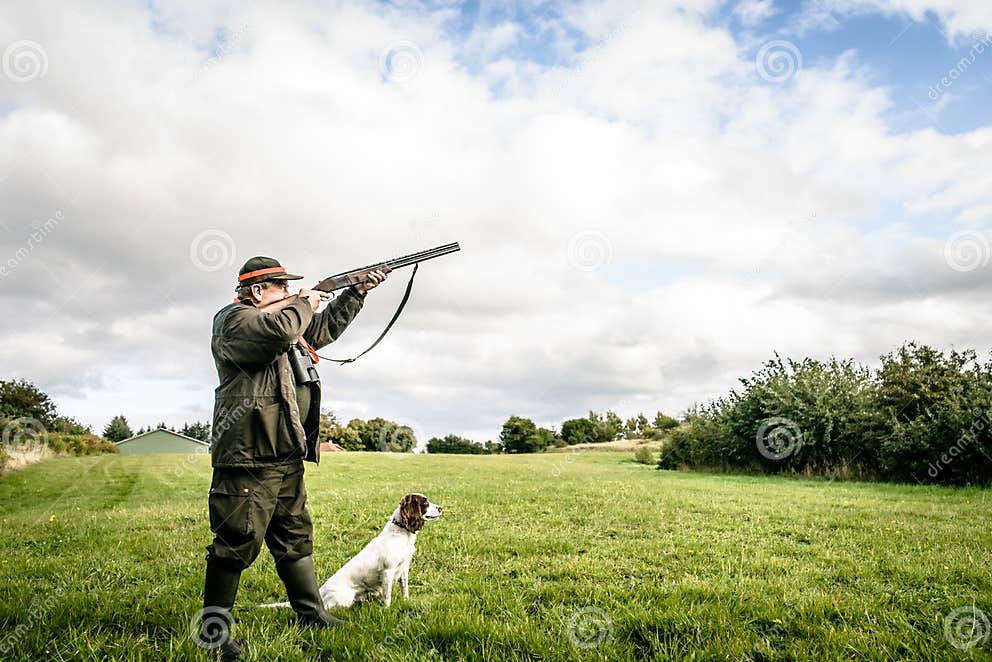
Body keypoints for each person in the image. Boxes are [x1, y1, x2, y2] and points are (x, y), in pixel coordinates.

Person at [198, 256, 386, 660]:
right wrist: (304, 300)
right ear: (257, 291)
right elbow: (282, 330)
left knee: (295, 537)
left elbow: (319, 329)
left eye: (289, 287)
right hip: (249, 456)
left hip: (285, 452)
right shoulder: (234, 321)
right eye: (281, 286)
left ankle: (311, 614)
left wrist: (355, 293)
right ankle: (214, 634)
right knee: (236, 541)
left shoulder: (285, 321)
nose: (288, 291)